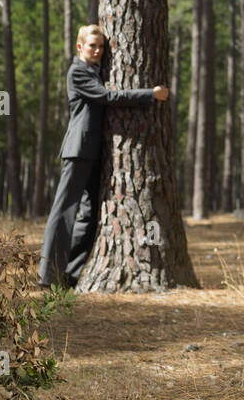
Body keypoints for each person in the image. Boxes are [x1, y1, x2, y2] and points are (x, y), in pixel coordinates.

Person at [38, 24, 169, 289]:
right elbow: (109, 96)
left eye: (101, 47)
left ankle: (69, 276)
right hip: (78, 150)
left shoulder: (95, 71)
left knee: (89, 215)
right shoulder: (78, 72)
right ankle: (47, 275)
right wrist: (150, 95)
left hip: (95, 152)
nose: (97, 51)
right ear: (79, 47)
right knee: (64, 211)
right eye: (92, 46)